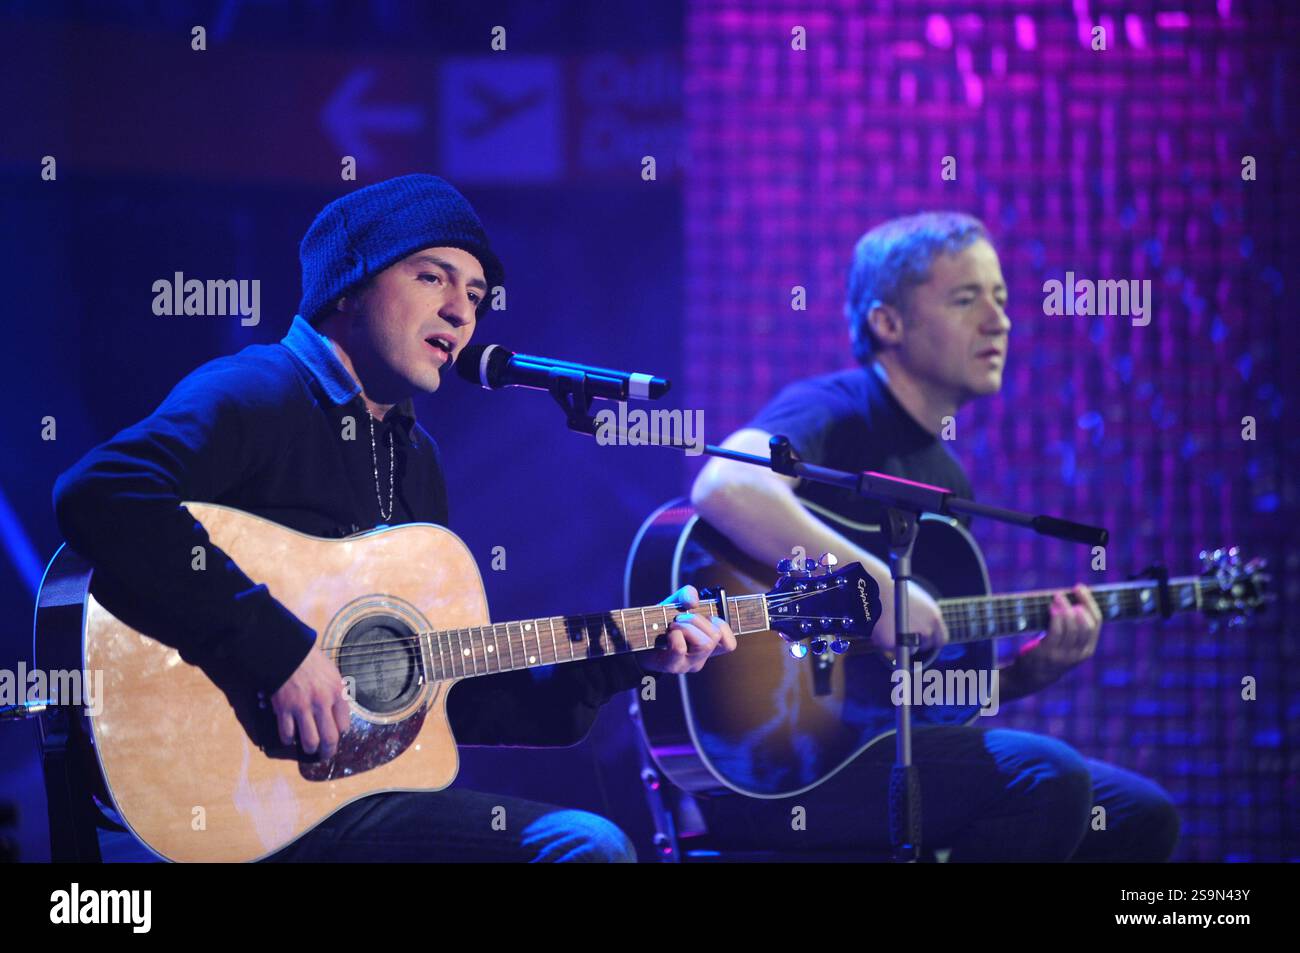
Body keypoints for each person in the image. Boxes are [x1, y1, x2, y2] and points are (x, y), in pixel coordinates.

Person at [53, 173, 735, 863]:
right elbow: (103, 492)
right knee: (583, 849)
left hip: (350, 803)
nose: (461, 312)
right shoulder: (259, 391)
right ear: (348, 287)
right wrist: (275, 647)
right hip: (229, 800)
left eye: (474, 295)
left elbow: (441, 697)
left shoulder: (415, 457)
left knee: (580, 843)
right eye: (432, 278)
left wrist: (624, 654)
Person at [689, 212, 1180, 861]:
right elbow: (724, 483)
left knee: (1138, 814)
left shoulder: (945, 478)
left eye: (1001, 299)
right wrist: (878, 590)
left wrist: (1026, 673)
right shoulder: (836, 408)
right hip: (776, 770)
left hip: (865, 752)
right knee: (1045, 775)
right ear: (887, 322)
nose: (999, 320)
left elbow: (918, 698)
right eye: (966, 298)